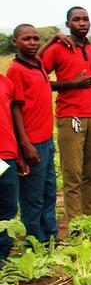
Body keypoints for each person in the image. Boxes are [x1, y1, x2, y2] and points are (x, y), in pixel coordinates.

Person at [40, 7, 91, 221]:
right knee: (72, 175)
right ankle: (76, 223)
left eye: (85, 19)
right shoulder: (58, 49)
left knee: (90, 173)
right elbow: (38, 78)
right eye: (76, 19)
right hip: (71, 118)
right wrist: (71, 84)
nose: (82, 23)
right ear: (68, 24)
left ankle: (89, 217)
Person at [8, 24, 57, 244]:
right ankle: (34, 241)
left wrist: (53, 39)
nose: (33, 43)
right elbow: (15, 109)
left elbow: (38, 53)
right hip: (33, 142)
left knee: (49, 192)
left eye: (36, 39)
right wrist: (25, 145)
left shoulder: (37, 63)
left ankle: (50, 235)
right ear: (15, 42)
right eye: (26, 39)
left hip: (47, 139)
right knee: (32, 197)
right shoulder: (16, 70)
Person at [0, 70, 20, 261]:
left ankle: (3, 253)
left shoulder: (6, 83)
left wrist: (19, 153)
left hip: (7, 154)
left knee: (8, 206)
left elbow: (12, 118)